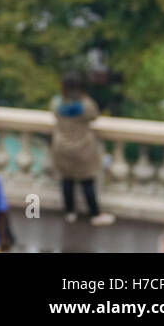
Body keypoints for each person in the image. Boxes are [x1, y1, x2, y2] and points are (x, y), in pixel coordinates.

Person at [50, 72, 114, 226]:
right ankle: (95, 213)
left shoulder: (57, 103)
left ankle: (70, 212)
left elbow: (54, 113)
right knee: (87, 181)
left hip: (62, 147)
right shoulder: (86, 105)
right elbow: (94, 116)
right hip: (82, 148)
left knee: (67, 180)